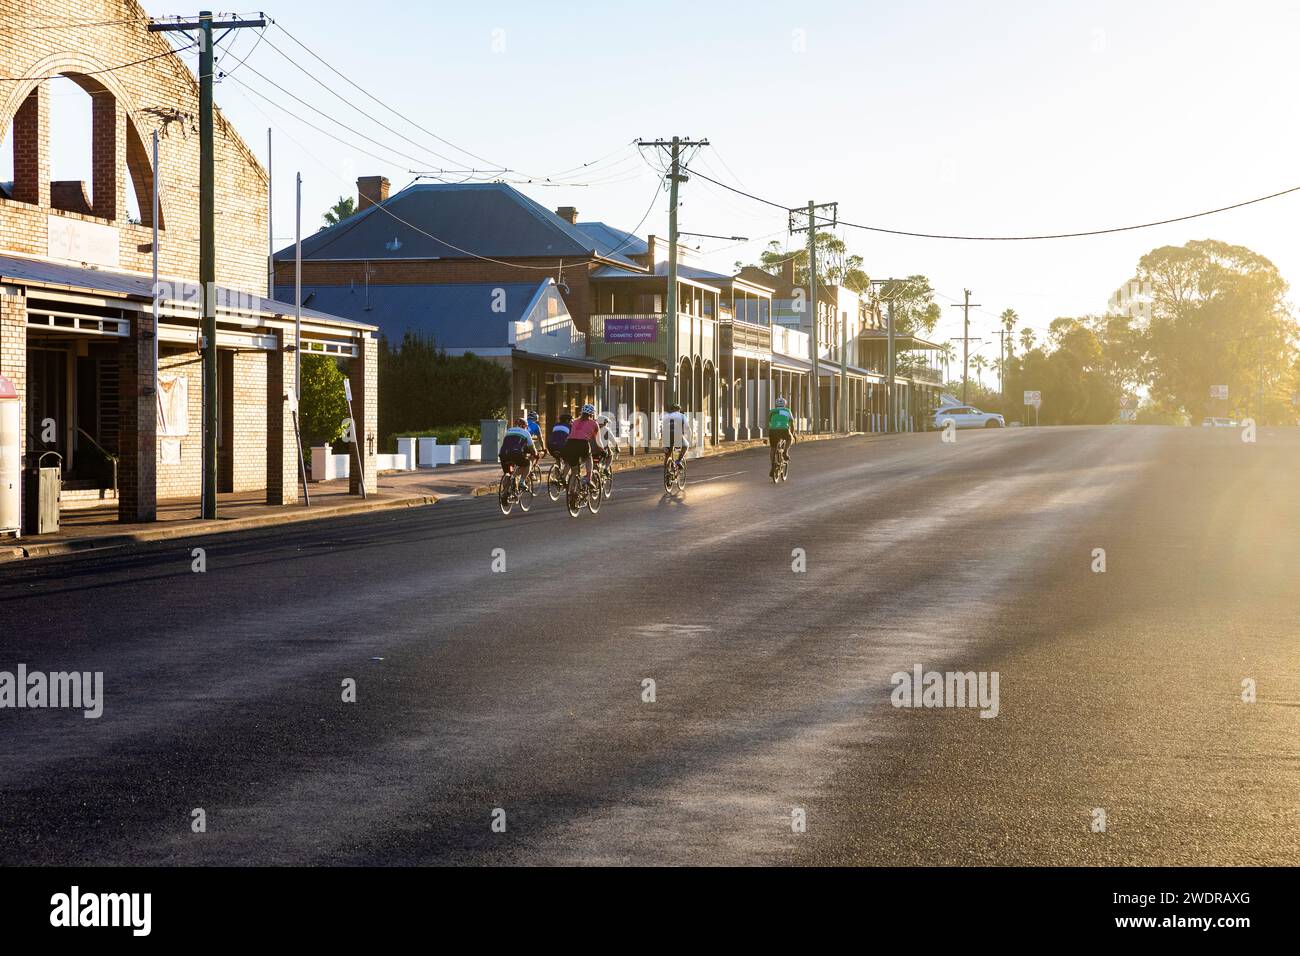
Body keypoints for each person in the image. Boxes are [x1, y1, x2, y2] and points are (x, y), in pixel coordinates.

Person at [560, 404, 605, 486]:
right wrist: (602, 450)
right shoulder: (594, 423)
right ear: (591, 414)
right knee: (588, 458)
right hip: (583, 444)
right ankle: (588, 478)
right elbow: (598, 440)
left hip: (569, 444)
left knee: (571, 464)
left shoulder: (575, 421)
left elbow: (572, 434)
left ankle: (565, 481)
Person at [498, 418, 539, 487]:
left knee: (507, 474)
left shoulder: (508, 431)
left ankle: (504, 493)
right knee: (528, 464)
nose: (526, 428)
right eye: (526, 426)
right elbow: (531, 447)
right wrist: (535, 454)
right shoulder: (526, 433)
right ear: (524, 426)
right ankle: (522, 482)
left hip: (503, 453)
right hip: (515, 453)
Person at [767, 397, 796, 471]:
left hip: (773, 430)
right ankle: (785, 452)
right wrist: (793, 434)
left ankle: (772, 465)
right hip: (784, 429)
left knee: (773, 448)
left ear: (776, 405)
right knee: (790, 438)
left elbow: (769, 423)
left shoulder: (771, 411)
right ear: (785, 404)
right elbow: (792, 423)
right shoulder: (787, 410)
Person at [661, 403, 693, 468]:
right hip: (677, 436)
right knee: (686, 445)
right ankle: (678, 461)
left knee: (667, 454)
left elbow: (663, 429)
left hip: (667, 436)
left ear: (672, 410)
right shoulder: (682, 416)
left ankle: (667, 471)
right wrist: (690, 438)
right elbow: (687, 428)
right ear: (679, 410)